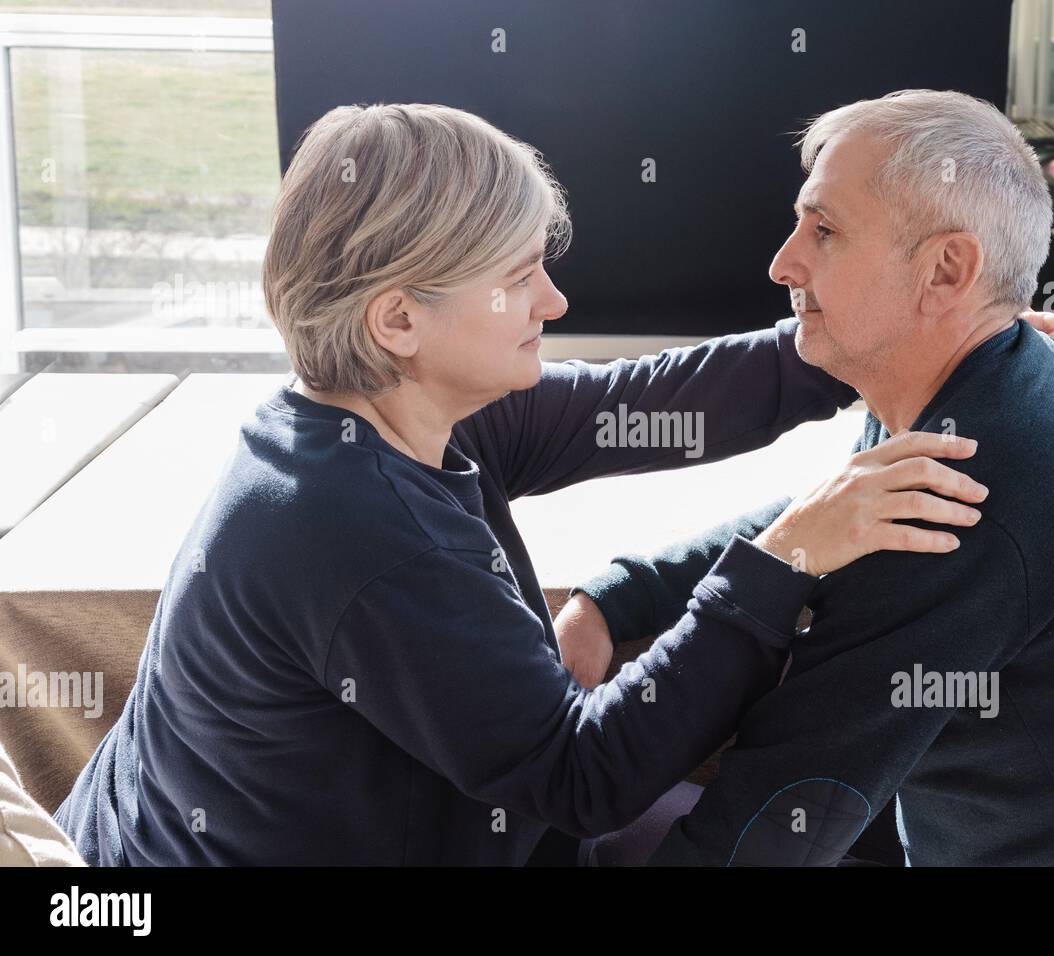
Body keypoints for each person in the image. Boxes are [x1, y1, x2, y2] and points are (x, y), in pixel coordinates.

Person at [53, 102, 1003, 865]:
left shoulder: (398, 407)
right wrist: (783, 558)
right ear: (398, 320)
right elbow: (585, 778)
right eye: (519, 278)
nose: (552, 302)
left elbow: (659, 401)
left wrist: (896, 331)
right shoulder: (362, 533)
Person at [560, 90, 1054, 866]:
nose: (783, 262)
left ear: (946, 270)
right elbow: (831, 514)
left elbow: (777, 820)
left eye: (825, 230)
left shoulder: (963, 503)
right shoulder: (993, 381)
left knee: (609, 841)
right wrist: (617, 596)